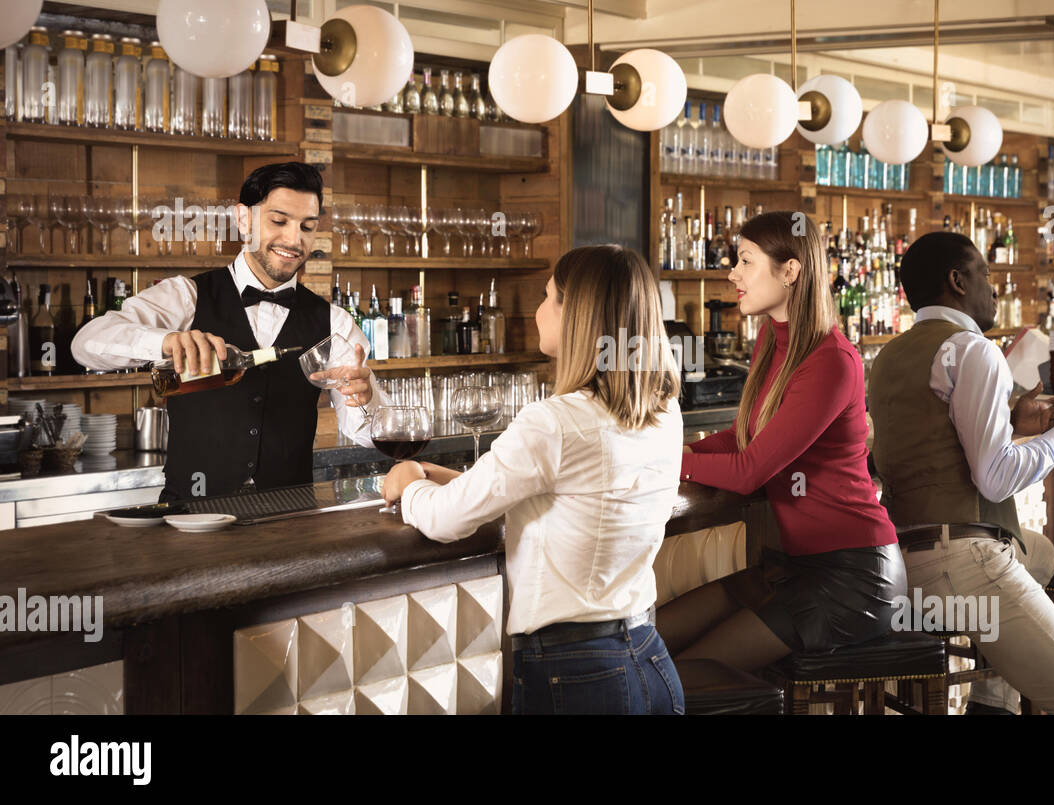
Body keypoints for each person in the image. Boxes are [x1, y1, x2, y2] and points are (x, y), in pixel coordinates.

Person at [382, 245, 685, 715]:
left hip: (578, 675)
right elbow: (547, 488)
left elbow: (445, 520)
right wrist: (432, 473)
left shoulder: (554, 422)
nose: (537, 310)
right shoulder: (664, 412)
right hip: (651, 661)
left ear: (576, 315)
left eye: (548, 297)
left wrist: (409, 484)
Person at [869, 231, 1054, 715]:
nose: (994, 289)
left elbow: (930, 438)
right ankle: (994, 696)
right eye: (985, 275)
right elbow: (994, 478)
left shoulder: (888, 357)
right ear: (956, 281)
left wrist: (1014, 420)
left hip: (898, 565)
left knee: (1038, 553)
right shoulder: (976, 350)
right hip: (960, 563)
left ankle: (991, 701)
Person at [655, 211, 905, 673]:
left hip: (854, 578)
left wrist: (666, 459)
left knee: (687, 675)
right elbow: (744, 438)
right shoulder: (772, 340)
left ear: (790, 271)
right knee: (651, 639)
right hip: (794, 566)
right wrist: (686, 453)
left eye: (746, 261)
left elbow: (751, 470)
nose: (732, 273)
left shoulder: (831, 360)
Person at [71, 162, 383, 501]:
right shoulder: (185, 297)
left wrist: (368, 401)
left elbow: (369, 432)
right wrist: (165, 341)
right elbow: (85, 343)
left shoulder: (333, 323)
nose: (294, 240)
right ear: (244, 219)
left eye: (307, 227)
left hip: (290, 523)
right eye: (278, 221)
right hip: (190, 519)